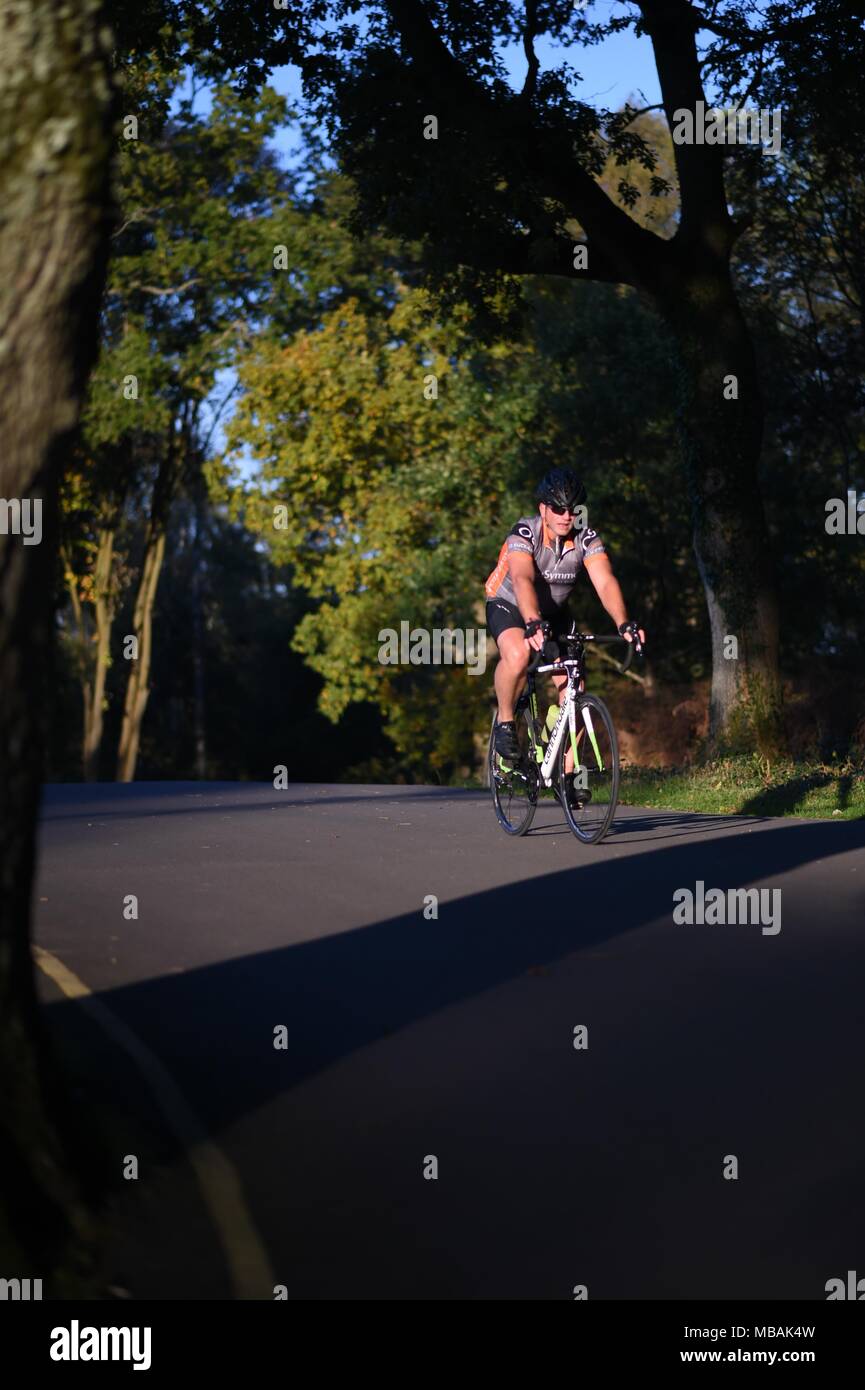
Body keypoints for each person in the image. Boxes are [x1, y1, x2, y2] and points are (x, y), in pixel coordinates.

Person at [484, 467, 646, 808]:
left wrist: (624, 623)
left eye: (573, 509)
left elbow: (604, 581)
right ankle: (505, 724)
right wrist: (531, 622)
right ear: (543, 508)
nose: (566, 516)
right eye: (558, 509)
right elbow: (524, 579)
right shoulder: (524, 532)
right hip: (511, 604)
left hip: (555, 613)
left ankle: (565, 775)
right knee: (516, 655)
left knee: (575, 687)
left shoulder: (586, 538)